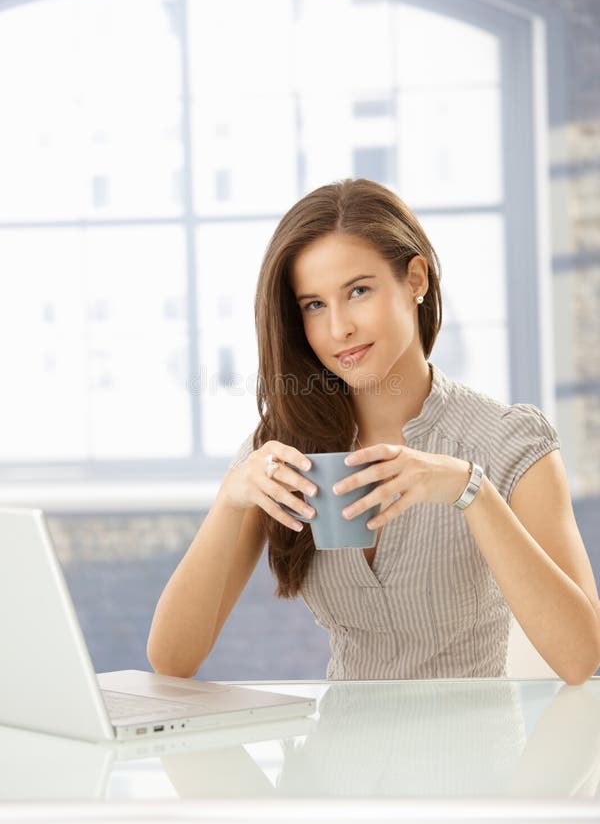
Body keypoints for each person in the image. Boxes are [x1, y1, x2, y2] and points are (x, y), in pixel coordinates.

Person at [147, 178, 600, 684]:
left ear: (415, 280)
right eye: (314, 305)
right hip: (334, 756)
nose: (338, 328)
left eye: (358, 291)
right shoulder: (286, 447)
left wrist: (470, 490)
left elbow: (580, 659)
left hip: (474, 758)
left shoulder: (510, 440)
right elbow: (172, 659)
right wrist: (231, 499)